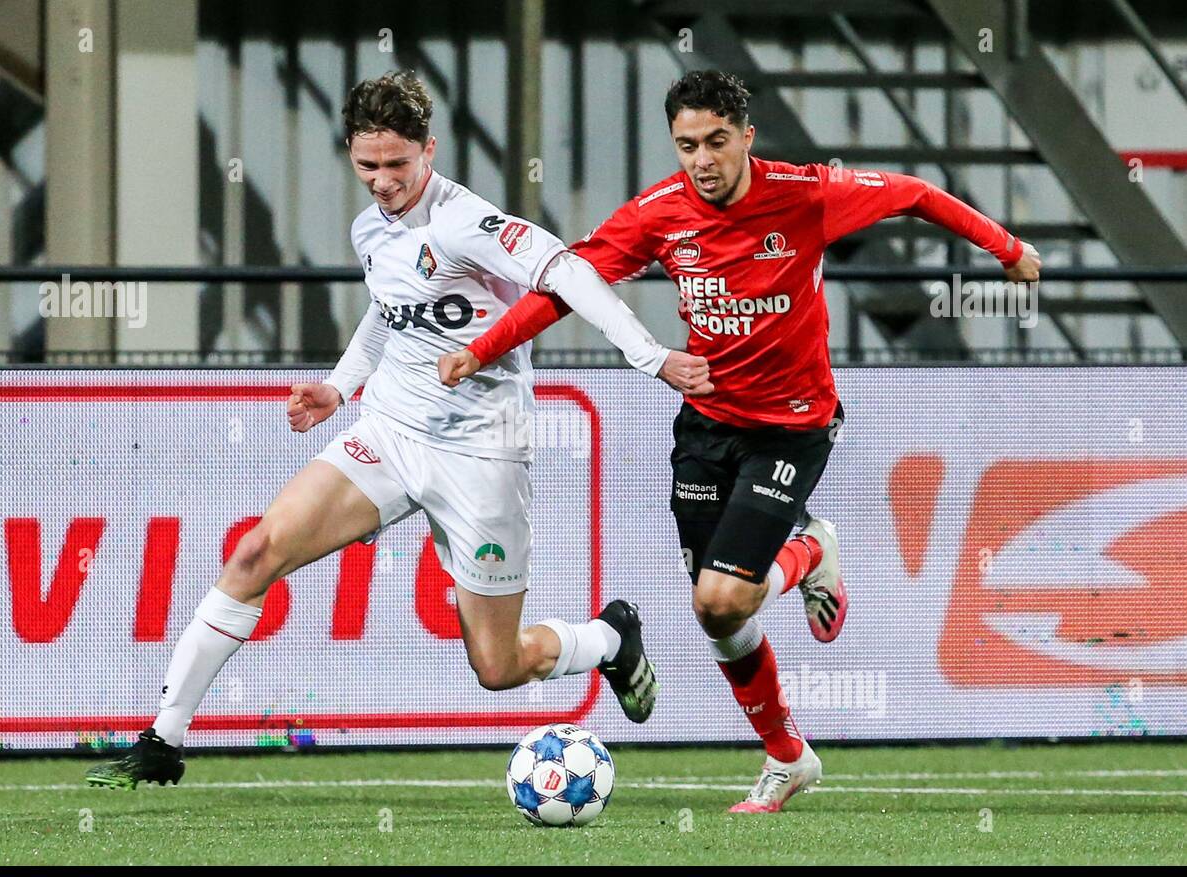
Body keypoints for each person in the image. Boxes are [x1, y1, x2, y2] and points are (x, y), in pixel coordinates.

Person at [86, 71, 713, 789]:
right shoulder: (370, 229)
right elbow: (389, 310)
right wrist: (338, 387)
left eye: (396, 165)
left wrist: (651, 355)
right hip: (390, 432)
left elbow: (568, 271)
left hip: (482, 453)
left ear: (429, 151)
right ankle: (163, 740)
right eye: (366, 166)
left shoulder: (467, 223)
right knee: (257, 551)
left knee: (497, 667)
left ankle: (607, 637)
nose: (381, 182)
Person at [440, 69, 1042, 813]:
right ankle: (789, 755)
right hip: (706, 427)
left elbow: (915, 193)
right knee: (718, 611)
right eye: (687, 144)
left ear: (746, 137)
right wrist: (483, 347)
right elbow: (571, 285)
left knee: (721, 595)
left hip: (792, 427)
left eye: (717, 142)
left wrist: (1006, 246)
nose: (702, 159)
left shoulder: (805, 193)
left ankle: (810, 551)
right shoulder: (660, 213)